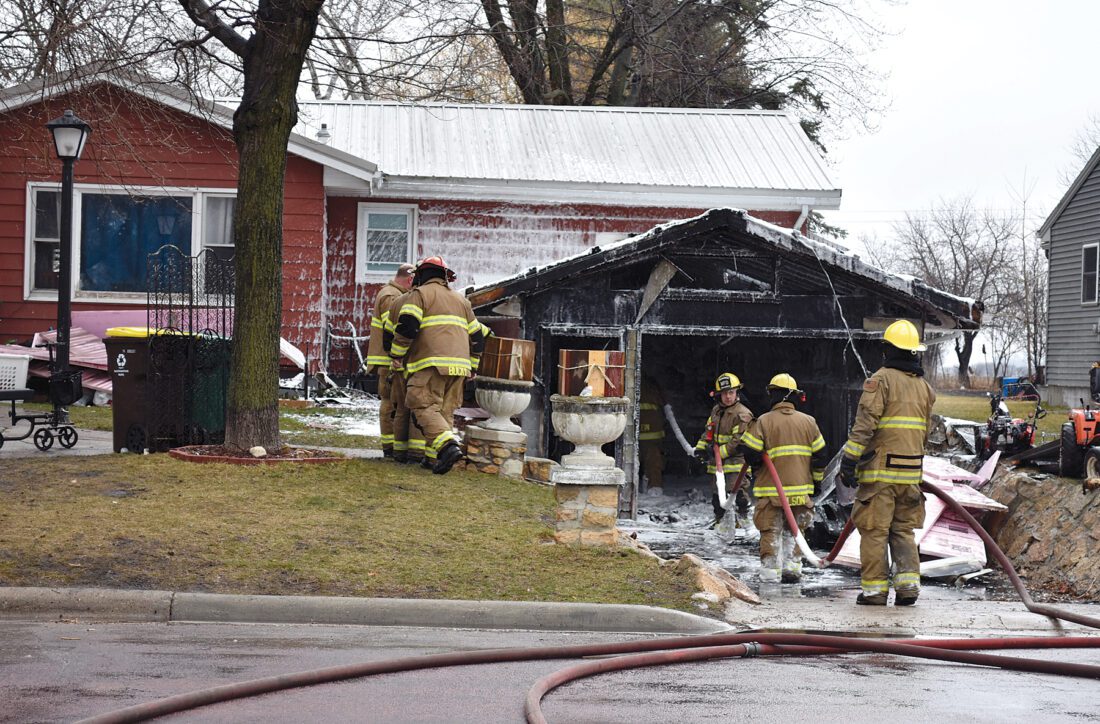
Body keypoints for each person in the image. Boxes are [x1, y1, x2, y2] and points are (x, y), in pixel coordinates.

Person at [837, 319, 935, 606]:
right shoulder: (925, 387)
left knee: (874, 531)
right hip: (911, 474)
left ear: (887, 349)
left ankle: (874, 592)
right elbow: (924, 433)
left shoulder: (880, 380)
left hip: (881, 473)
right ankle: (908, 589)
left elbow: (865, 424)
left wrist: (850, 460)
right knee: (904, 530)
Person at [390, 256, 486, 475]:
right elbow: (477, 336)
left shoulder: (419, 295)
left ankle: (447, 447)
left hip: (430, 363)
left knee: (422, 405)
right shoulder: (461, 300)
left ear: (422, 274)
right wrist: (473, 366)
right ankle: (434, 459)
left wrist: (397, 354)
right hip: (459, 367)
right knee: (444, 411)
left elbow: (408, 327)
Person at [740, 373, 827, 584]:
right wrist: (816, 483)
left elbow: (749, 452)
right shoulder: (809, 422)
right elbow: (821, 456)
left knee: (771, 531)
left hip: (771, 492)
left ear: (773, 395)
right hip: (800, 493)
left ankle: (769, 574)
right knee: (795, 532)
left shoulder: (763, 422)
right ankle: (793, 569)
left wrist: (759, 464)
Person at [365, 263, 414, 459]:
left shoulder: (393, 293)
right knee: (390, 403)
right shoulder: (390, 296)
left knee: (395, 403)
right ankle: (390, 448)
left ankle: (394, 446)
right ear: (409, 279)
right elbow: (393, 329)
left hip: (391, 359)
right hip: (388, 360)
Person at [693, 373, 754, 524]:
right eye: (725, 393)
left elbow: (737, 441)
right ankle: (721, 523)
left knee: (738, 496)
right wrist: (700, 449)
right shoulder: (716, 411)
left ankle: (743, 523)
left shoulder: (742, 414)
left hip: (736, 465)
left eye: (731, 392)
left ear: (737, 393)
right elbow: (708, 432)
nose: (728, 397)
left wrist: (717, 454)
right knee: (717, 497)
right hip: (718, 465)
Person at [639, 377, 668, 495]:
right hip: (654, 436)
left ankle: (631, 486)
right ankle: (653, 486)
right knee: (654, 462)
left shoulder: (630, 386)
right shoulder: (654, 387)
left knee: (632, 463)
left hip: (634, 436)